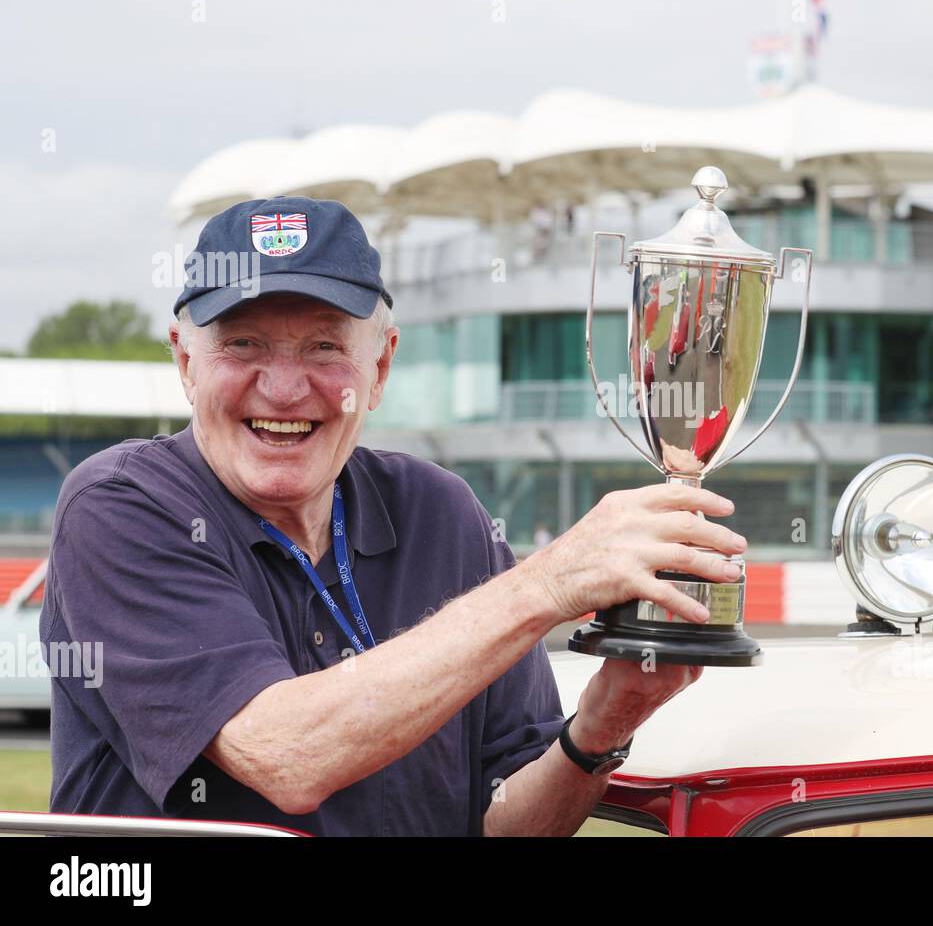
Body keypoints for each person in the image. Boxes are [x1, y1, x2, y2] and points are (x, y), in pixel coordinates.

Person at [40, 196, 745, 835]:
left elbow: (506, 826)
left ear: (379, 368)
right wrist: (548, 584)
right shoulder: (121, 506)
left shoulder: (443, 514)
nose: (284, 388)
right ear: (186, 363)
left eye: (324, 345)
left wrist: (598, 728)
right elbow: (284, 756)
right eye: (242, 343)